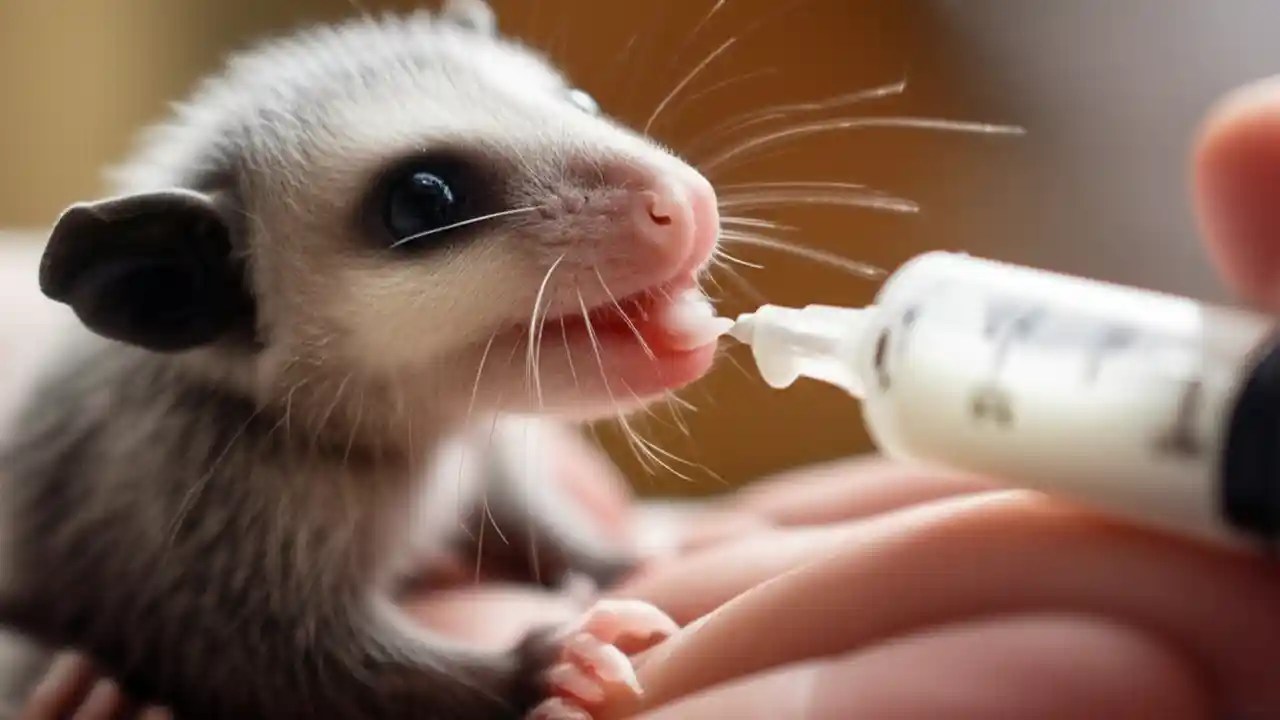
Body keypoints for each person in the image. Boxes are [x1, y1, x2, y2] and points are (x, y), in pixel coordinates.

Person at [15, 77, 1280, 720]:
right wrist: (513, 673)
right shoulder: (220, 481)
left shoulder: (387, 400)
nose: (664, 198)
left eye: (563, 109)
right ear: (194, 298)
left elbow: (475, 444)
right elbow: (279, 654)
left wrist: (577, 551)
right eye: (427, 206)